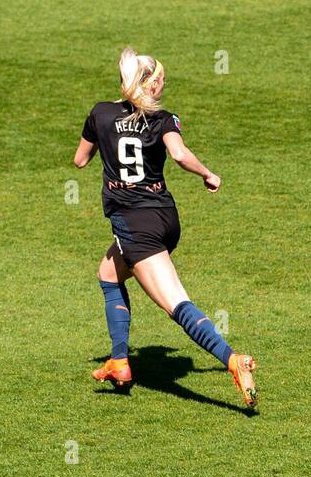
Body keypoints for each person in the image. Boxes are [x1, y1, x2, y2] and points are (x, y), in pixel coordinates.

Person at [74, 47, 258, 407]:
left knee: (176, 303)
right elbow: (178, 154)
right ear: (152, 85)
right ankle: (119, 361)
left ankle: (232, 359)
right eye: (162, 81)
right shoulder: (163, 119)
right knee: (108, 274)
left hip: (134, 224)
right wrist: (208, 174)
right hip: (165, 219)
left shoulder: (100, 113)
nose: (164, 87)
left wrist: (105, 143)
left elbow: (80, 160)